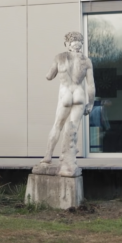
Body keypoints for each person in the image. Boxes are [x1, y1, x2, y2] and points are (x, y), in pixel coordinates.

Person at [41, 31, 95, 177]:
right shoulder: (86, 61)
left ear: (67, 44)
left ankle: (48, 156)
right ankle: (66, 157)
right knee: (72, 128)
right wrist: (90, 104)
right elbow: (91, 86)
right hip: (79, 94)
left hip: (65, 94)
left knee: (57, 125)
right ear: (80, 44)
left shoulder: (59, 57)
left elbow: (49, 76)